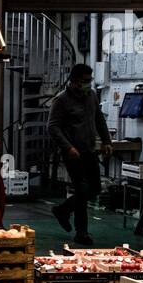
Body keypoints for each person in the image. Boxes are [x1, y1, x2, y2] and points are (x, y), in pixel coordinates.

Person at [48, 63, 111, 246]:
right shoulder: (62, 100)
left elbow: (99, 119)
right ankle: (81, 233)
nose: (88, 84)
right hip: (73, 153)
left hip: (89, 150)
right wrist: (67, 147)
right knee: (82, 191)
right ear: (74, 81)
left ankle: (63, 210)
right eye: (85, 81)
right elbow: (52, 126)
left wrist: (106, 141)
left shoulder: (90, 96)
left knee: (95, 189)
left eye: (89, 80)